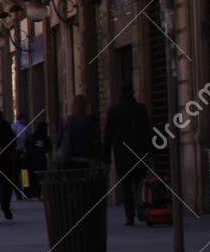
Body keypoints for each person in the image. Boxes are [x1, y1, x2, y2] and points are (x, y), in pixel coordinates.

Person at [104, 85, 153, 226]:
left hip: (122, 154)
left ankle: (129, 216)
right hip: (139, 153)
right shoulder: (141, 109)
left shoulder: (113, 111)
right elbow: (147, 132)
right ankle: (140, 209)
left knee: (126, 185)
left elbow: (108, 135)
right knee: (139, 183)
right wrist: (150, 152)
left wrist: (106, 155)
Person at [57, 94, 101, 168]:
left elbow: (59, 141)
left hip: (69, 163)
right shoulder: (90, 122)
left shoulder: (67, 121)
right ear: (85, 107)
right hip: (87, 162)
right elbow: (95, 143)